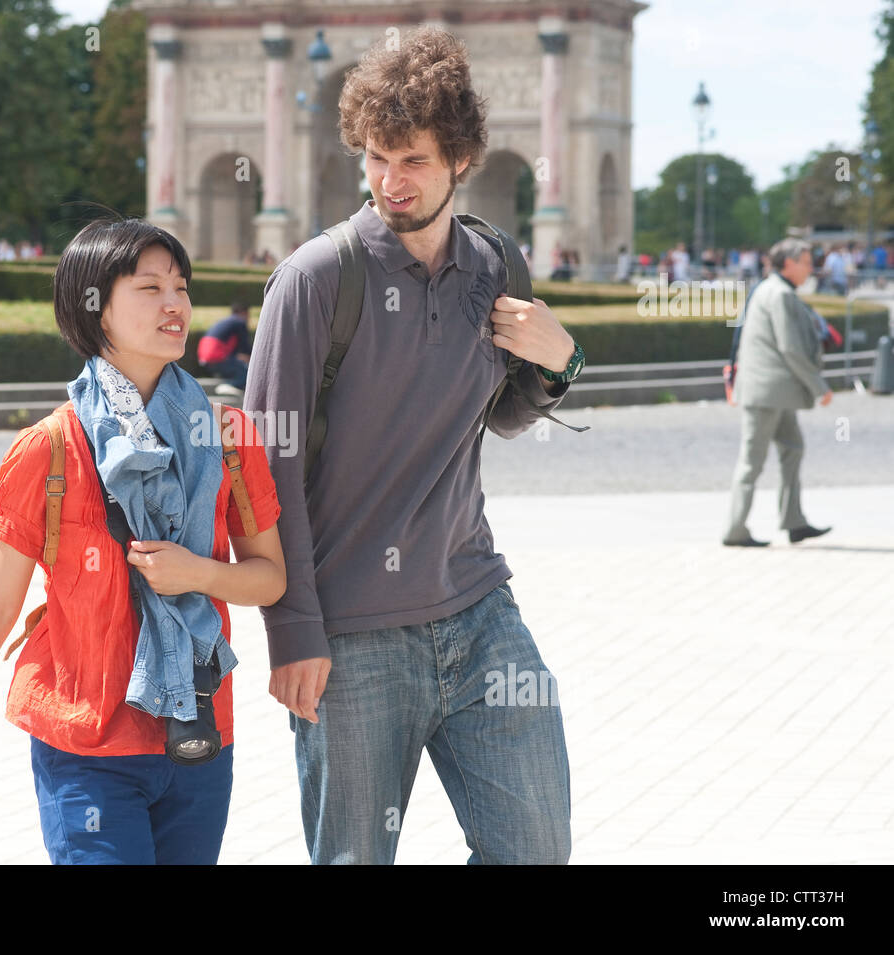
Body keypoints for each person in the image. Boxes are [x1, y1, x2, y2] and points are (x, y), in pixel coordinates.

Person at [243, 26, 578, 865]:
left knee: (535, 848)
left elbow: (501, 414)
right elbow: (261, 466)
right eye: (377, 159)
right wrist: (292, 630)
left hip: (478, 605)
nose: (392, 182)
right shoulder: (315, 280)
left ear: (461, 159)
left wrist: (560, 362)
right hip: (350, 634)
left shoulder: (497, 263)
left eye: (415, 161)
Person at [0, 217, 288, 864]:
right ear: (95, 308)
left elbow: (270, 575)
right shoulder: (46, 450)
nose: (175, 304)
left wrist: (199, 573)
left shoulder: (231, 436)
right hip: (84, 744)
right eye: (150, 287)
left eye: (181, 286)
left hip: (198, 735)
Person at [722, 238, 833, 547]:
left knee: (792, 449)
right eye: (807, 262)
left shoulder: (769, 289)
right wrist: (819, 387)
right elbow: (790, 348)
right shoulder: (781, 294)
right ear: (790, 263)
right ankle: (735, 529)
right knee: (752, 461)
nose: (811, 268)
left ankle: (794, 521)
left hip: (771, 391)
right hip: (768, 392)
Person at [197, 300, 253, 396]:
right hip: (217, 356)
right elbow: (245, 348)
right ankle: (232, 385)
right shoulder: (240, 322)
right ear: (245, 313)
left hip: (205, 358)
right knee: (246, 372)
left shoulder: (225, 321)